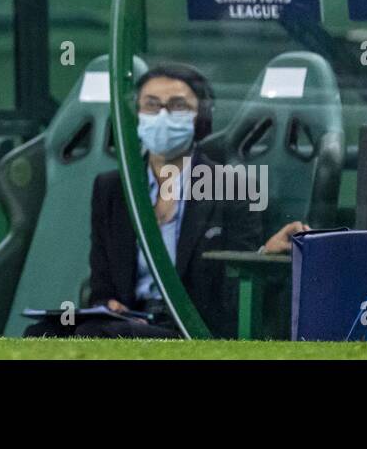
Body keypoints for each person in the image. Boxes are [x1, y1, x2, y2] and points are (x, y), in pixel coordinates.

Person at [37, 64, 308, 338]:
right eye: (152, 105)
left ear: (200, 117)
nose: (163, 116)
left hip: (189, 328)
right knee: (43, 332)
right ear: (137, 114)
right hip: (126, 321)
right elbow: (101, 285)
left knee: (97, 335)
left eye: (178, 106)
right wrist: (108, 304)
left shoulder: (231, 186)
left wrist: (264, 255)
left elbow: (237, 288)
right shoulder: (113, 188)